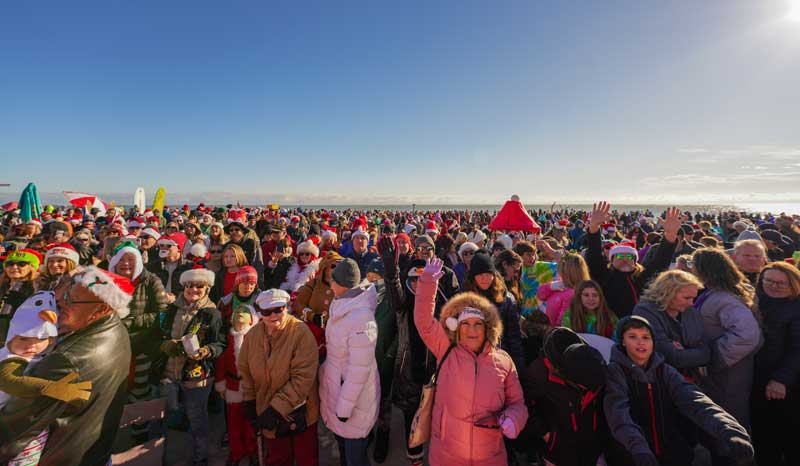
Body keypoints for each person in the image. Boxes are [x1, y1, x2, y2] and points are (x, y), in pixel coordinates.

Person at [0, 266, 134, 466]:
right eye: (66, 294)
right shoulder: (115, 327)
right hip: (92, 454)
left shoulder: (68, 360)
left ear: (101, 309)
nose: (61, 301)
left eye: (71, 300)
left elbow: (15, 428)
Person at [413, 257, 527, 466]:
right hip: (447, 453)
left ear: (488, 328)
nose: (472, 330)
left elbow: (518, 403)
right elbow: (423, 322)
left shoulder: (503, 361)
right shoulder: (446, 348)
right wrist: (428, 283)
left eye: (478, 324)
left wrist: (514, 419)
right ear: (456, 326)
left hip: (489, 456)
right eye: (465, 324)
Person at [604, 316, 754, 466]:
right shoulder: (615, 372)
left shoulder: (665, 371)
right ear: (622, 341)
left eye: (646, 337)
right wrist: (639, 451)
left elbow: (698, 402)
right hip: (632, 457)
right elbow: (619, 416)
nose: (640, 342)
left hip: (673, 456)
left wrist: (729, 430)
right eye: (632, 337)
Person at [0, 292, 90, 466]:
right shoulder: (10, 358)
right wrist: (54, 389)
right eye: (23, 338)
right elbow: (9, 380)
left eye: (40, 338)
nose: (31, 345)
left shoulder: (36, 354)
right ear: (12, 336)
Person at [238, 289, 320, 466]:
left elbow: (303, 379)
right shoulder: (252, 336)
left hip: (300, 413)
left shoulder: (301, 333)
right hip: (267, 412)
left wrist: (275, 409)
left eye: (278, 310)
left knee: (306, 459)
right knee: (277, 459)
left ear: (287, 308)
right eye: (267, 311)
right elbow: (245, 371)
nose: (273, 315)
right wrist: (250, 400)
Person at [159, 268, 227, 466]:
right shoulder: (171, 309)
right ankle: (163, 456)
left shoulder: (212, 313)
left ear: (207, 289)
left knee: (197, 419)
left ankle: (200, 457)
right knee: (168, 416)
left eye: (199, 286)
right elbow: (161, 333)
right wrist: (164, 344)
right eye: (189, 285)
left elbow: (220, 343)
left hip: (197, 376)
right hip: (169, 373)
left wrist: (205, 351)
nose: (193, 289)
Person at [691, 247, 761, 431]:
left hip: (730, 370)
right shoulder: (715, 292)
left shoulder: (724, 298)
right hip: (724, 369)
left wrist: (714, 357)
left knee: (730, 416)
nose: (691, 269)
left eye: (694, 265)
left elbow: (747, 335)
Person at [318, 258, 379, 466]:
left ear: (341, 283)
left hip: (353, 402)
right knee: (345, 452)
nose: (330, 284)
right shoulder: (342, 302)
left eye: (333, 280)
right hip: (339, 389)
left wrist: (344, 407)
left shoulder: (361, 318)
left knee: (355, 457)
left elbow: (359, 370)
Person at [109, 240, 169, 442]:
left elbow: (163, 314)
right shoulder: (106, 281)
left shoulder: (151, 281)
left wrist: (132, 322)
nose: (126, 264)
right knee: (115, 389)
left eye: (131, 259)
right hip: (113, 346)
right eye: (122, 259)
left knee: (139, 391)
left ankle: (140, 435)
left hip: (141, 345)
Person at [522, 327, 608, 466]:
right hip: (556, 453)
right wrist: (545, 433)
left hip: (591, 451)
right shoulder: (539, 373)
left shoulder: (592, 363)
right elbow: (525, 405)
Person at [586, 202, 680, 318]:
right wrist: (594, 227)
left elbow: (660, 262)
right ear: (611, 260)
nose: (625, 259)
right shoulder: (604, 276)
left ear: (635, 261)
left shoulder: (643, 278)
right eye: (620, 256)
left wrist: (670, 235)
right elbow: (594, 254)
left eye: (630, 256)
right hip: (607, 329)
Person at [750, 262, 800, 466]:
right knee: (763, 438)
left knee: (790, 438)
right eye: (769, 280)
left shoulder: (797, 307)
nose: (774, 286)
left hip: (788, 385)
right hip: (758, 380)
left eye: (782, 283)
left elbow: (798, 348)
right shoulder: (756, 301)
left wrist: (781, 378)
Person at [633, 270, 710, 382]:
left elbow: (707, 353)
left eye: (693, 298)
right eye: (687, 298)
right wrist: (692, 352)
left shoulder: (690, 312)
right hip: (658, 381)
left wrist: (682, 351)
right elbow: (670, 356)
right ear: (668, 293)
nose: (691, 303)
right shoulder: (645, 311)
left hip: (691, 379)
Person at [460, 251, 525, 372]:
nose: (484, 278)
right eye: (480, 274)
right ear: (473, 276)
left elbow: (514, 336)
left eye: (488, 274)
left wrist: (518, 368)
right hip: (471, 360)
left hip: (500, 358)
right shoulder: (464, 299)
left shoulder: (506, 299)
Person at [214, 303, 260, 466]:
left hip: (250, 389)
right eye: (238, 311)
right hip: (232, 387)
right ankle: (236, 453)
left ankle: (252, 451)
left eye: (245, 311)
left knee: (250, 424)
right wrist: (221, 384)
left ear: (251, 320)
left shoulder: (256, 338)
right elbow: (220, 363)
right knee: (234, 425)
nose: (240, 313)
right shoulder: (227, 339)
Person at [0, 248, 41, 346]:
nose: (14, 267)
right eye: (10, 264)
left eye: (21, 264)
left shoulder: (38, 287)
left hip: (20, 340)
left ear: (32, 267)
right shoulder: (3, 286)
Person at [538, 252, 591, 326]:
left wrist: (551, 331)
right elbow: (540, 295)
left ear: (565, 270)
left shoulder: (572, 294)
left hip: (558, 333)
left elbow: (562, 322)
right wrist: (550, 286)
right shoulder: (559, 285)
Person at [513, 240, 556, 317]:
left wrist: (552, 251)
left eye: (533, 254)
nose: (532, 258)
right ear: (519, 255)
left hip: (540, 316)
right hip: (518, 316)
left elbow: (567, 263)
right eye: (528, 255)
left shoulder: (540, 267)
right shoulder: (512, 270)